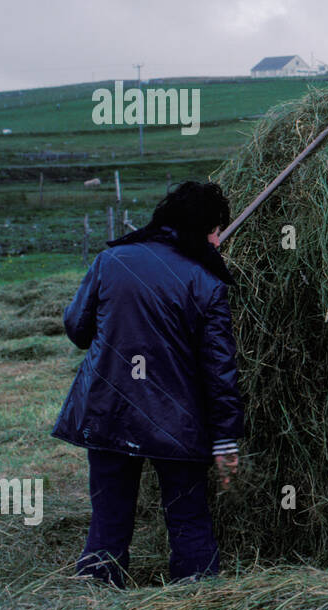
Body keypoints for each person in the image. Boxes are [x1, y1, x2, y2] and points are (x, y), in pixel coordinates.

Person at [52, 181, 244, 587]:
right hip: (175, 422)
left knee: (109, 513)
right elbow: (219, 371)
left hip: (107, 412)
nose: (217, 240)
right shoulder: (206, 283)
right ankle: (196, 600)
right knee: (188, 515)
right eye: (215, 230)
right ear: (200, 228)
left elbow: (76, 328)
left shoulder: (111, 261)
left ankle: (96, 596)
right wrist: (226, 441)